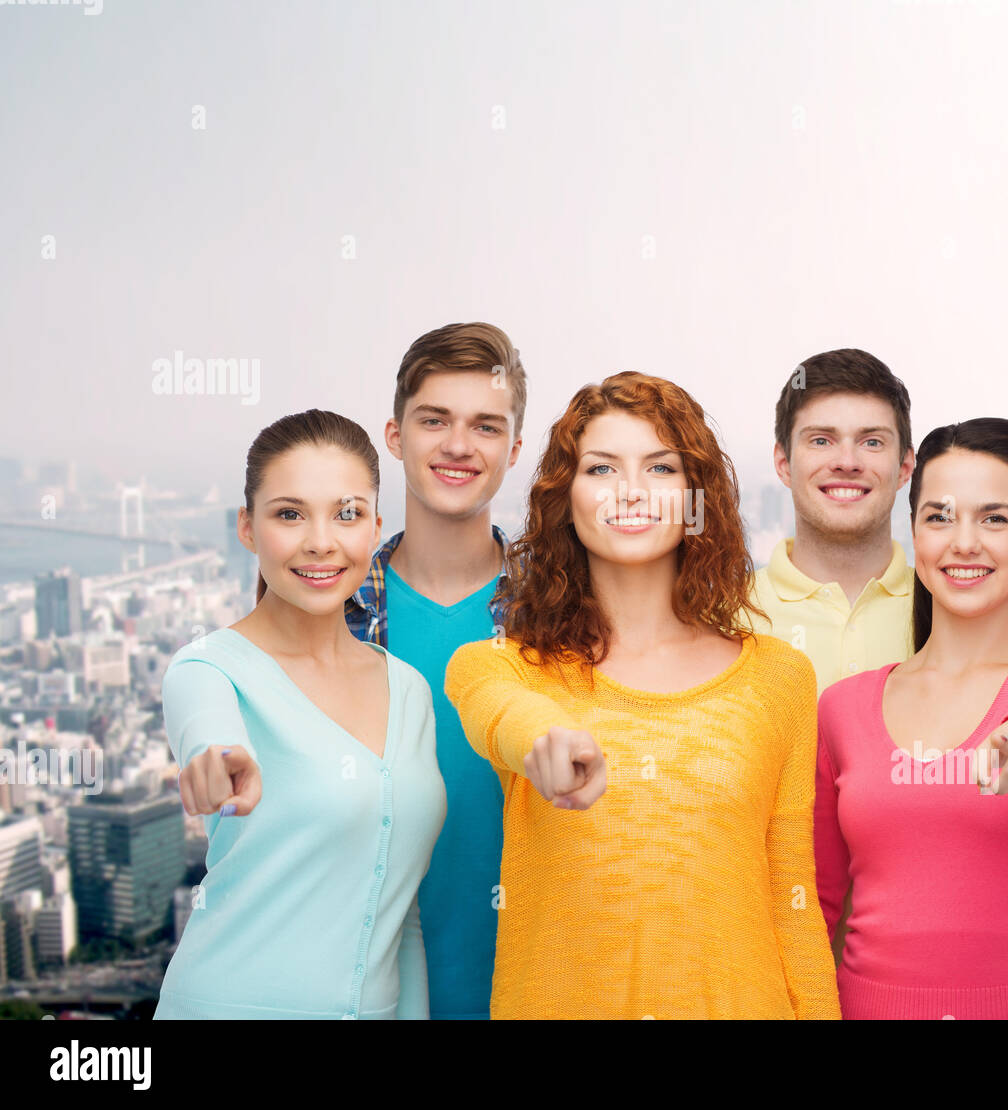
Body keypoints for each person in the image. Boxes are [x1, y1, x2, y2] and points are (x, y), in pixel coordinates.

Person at [445, 372, 840, 1019]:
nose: (630, 492)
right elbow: (506, 716)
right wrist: (548, 739)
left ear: (695, 497)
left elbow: (790, 902)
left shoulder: (780, 677)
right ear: (564, 499)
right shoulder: (503, 670)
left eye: (659, 468)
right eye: (601, 469)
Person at [814, 417, 1008, 1019]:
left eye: (994, 518)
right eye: (939, 516)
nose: (963, 543)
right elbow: (814, 905)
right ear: (913, 532)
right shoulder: (842, 708)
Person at [156, 410, 445, 1020]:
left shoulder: (411, 692)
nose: (321, 540)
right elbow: (210, 737)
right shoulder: (207, 671)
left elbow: (401, 911)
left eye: (347, 514)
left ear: (374, 528)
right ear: (247, 527)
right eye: (290, 514)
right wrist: (220, 763)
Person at [343, 322, 524, 1020]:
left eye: (485, 426)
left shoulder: (565, 613)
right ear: (394, 436)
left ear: (512, 451)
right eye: (434, 420)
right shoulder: (332, 606)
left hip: (538, 988)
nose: (457, 445)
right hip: (368, 997)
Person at [746, 348, 916, 696]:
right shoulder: (720, 617)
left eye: (872, 441)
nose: (847, 461)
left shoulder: (951, 611)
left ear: (904, 468)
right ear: (783, 464)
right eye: (821, 440)